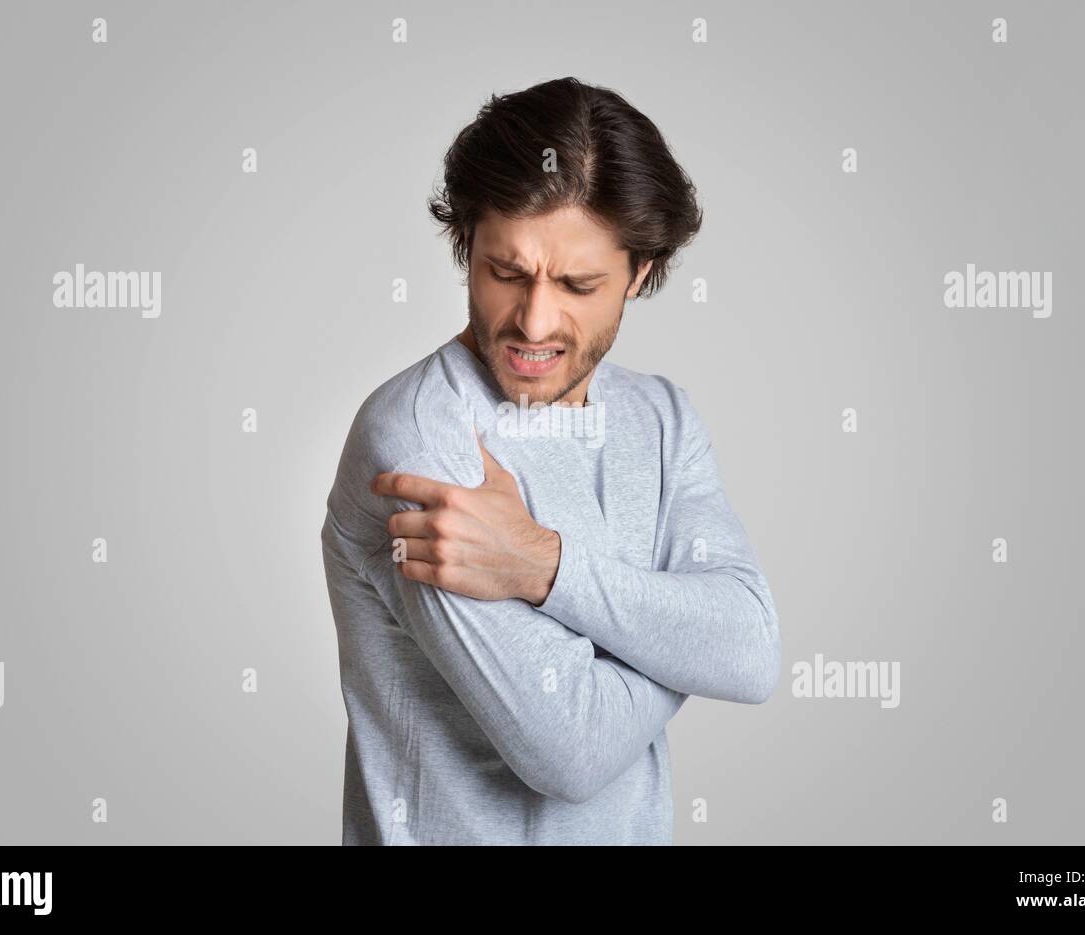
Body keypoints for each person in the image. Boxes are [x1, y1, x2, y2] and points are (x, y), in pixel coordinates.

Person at [321, 77, 781, 845]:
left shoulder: (662, 419)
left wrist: (543, 566)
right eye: (506, 272)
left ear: (639, 272)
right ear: (466, 241)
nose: (534, 319)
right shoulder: (418, 440)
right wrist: (684, 641)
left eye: (578, 284)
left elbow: (753, 650)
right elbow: (571, 747)